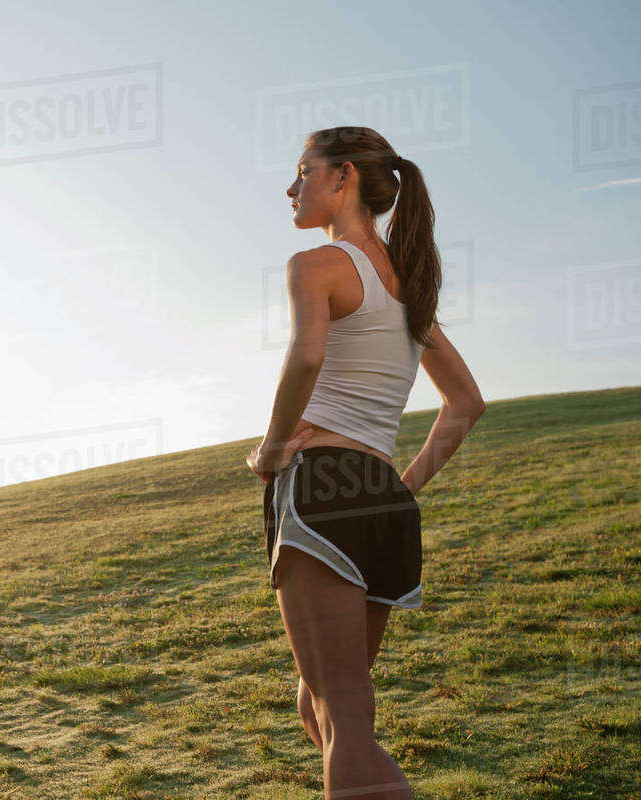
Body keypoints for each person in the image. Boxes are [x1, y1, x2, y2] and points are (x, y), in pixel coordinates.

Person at [246, 126, 486, 799]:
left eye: (303, 172)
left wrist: (270, 449)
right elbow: (465, 404)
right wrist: (397, 489)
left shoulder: (315, 265)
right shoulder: (412, 292)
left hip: (321, 487)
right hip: (383, 503)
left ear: (343, 176)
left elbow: (307, 357)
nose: (292, 188)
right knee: (321, 707)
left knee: (342, 714)